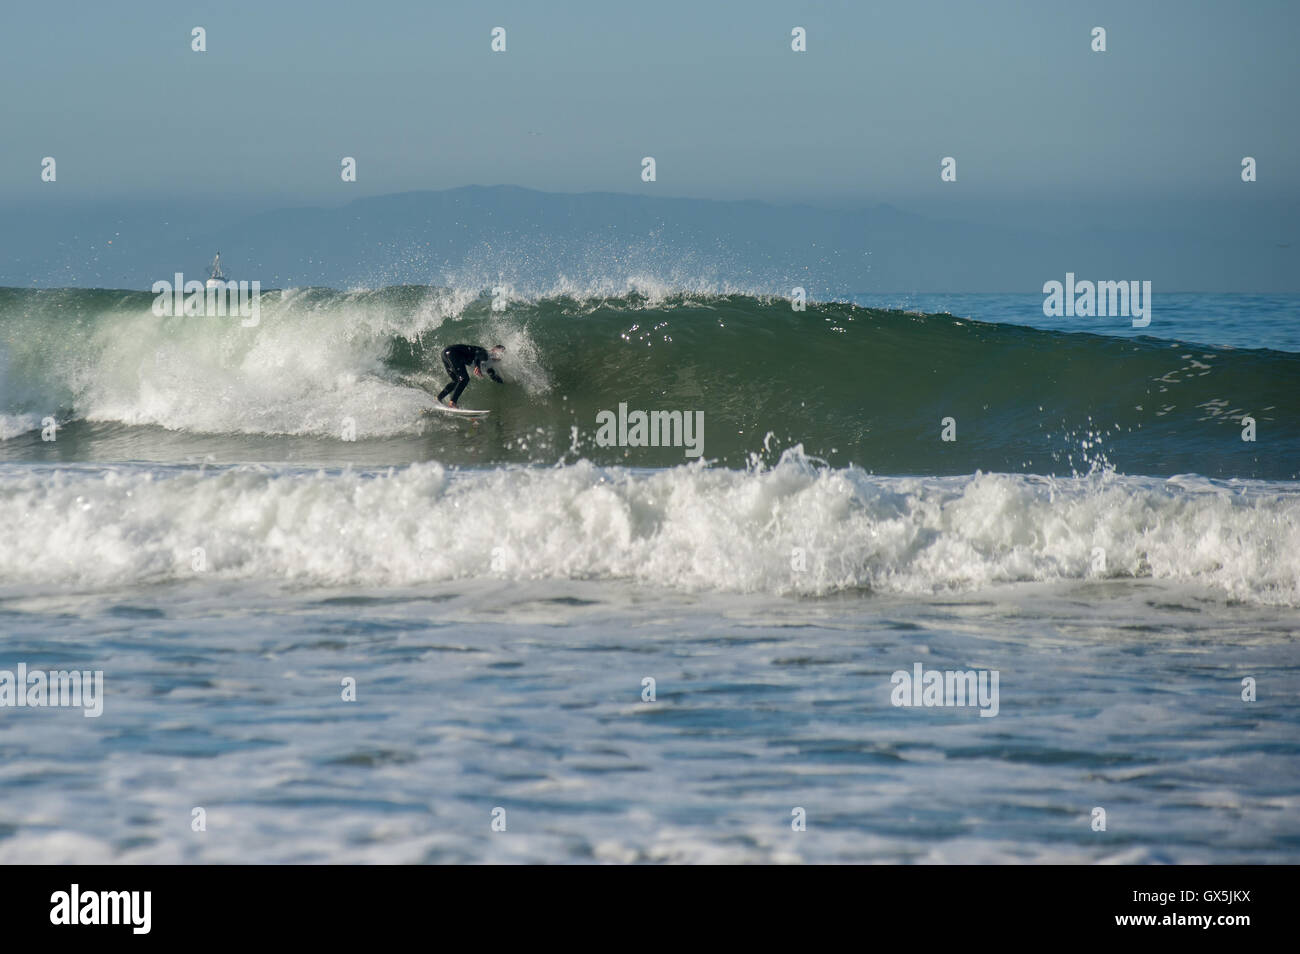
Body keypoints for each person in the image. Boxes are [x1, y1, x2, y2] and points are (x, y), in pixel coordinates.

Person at [437, 344, 504, 407]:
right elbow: (478, 355)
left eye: (502, 355)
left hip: (446, 354)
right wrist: (477, 366)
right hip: (452, 353)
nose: (499, 357)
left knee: (456, 381)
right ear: (494, 350)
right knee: (464, 379)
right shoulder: (486, 353)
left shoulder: (488, 364)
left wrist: (503, 382)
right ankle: (453, 402)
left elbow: (492, 375)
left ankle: (439, 398)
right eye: (499, 353)